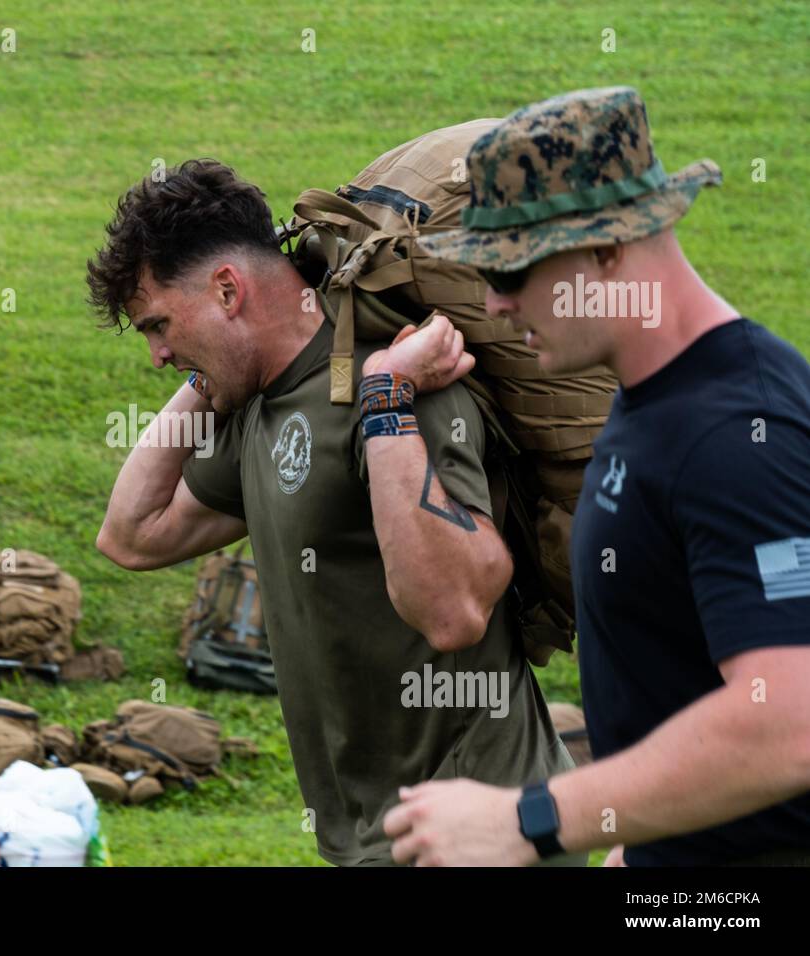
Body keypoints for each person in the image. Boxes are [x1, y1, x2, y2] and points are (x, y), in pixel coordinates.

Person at [87, 159, 582, 866]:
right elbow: (132, 534)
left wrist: (385, 400)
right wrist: (205, 372)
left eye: (161, 325)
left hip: (488, 829)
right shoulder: (258, 405)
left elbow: (456, 612)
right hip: (373, 841)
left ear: (228, 288)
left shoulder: (409, 384)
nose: (159, 354)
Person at [383, 86, 810, 866]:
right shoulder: (650, 401)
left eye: (513, 272)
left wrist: (535, 818)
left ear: (608, 250)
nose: (494, 302)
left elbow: (790, 720)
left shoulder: (738, 438)